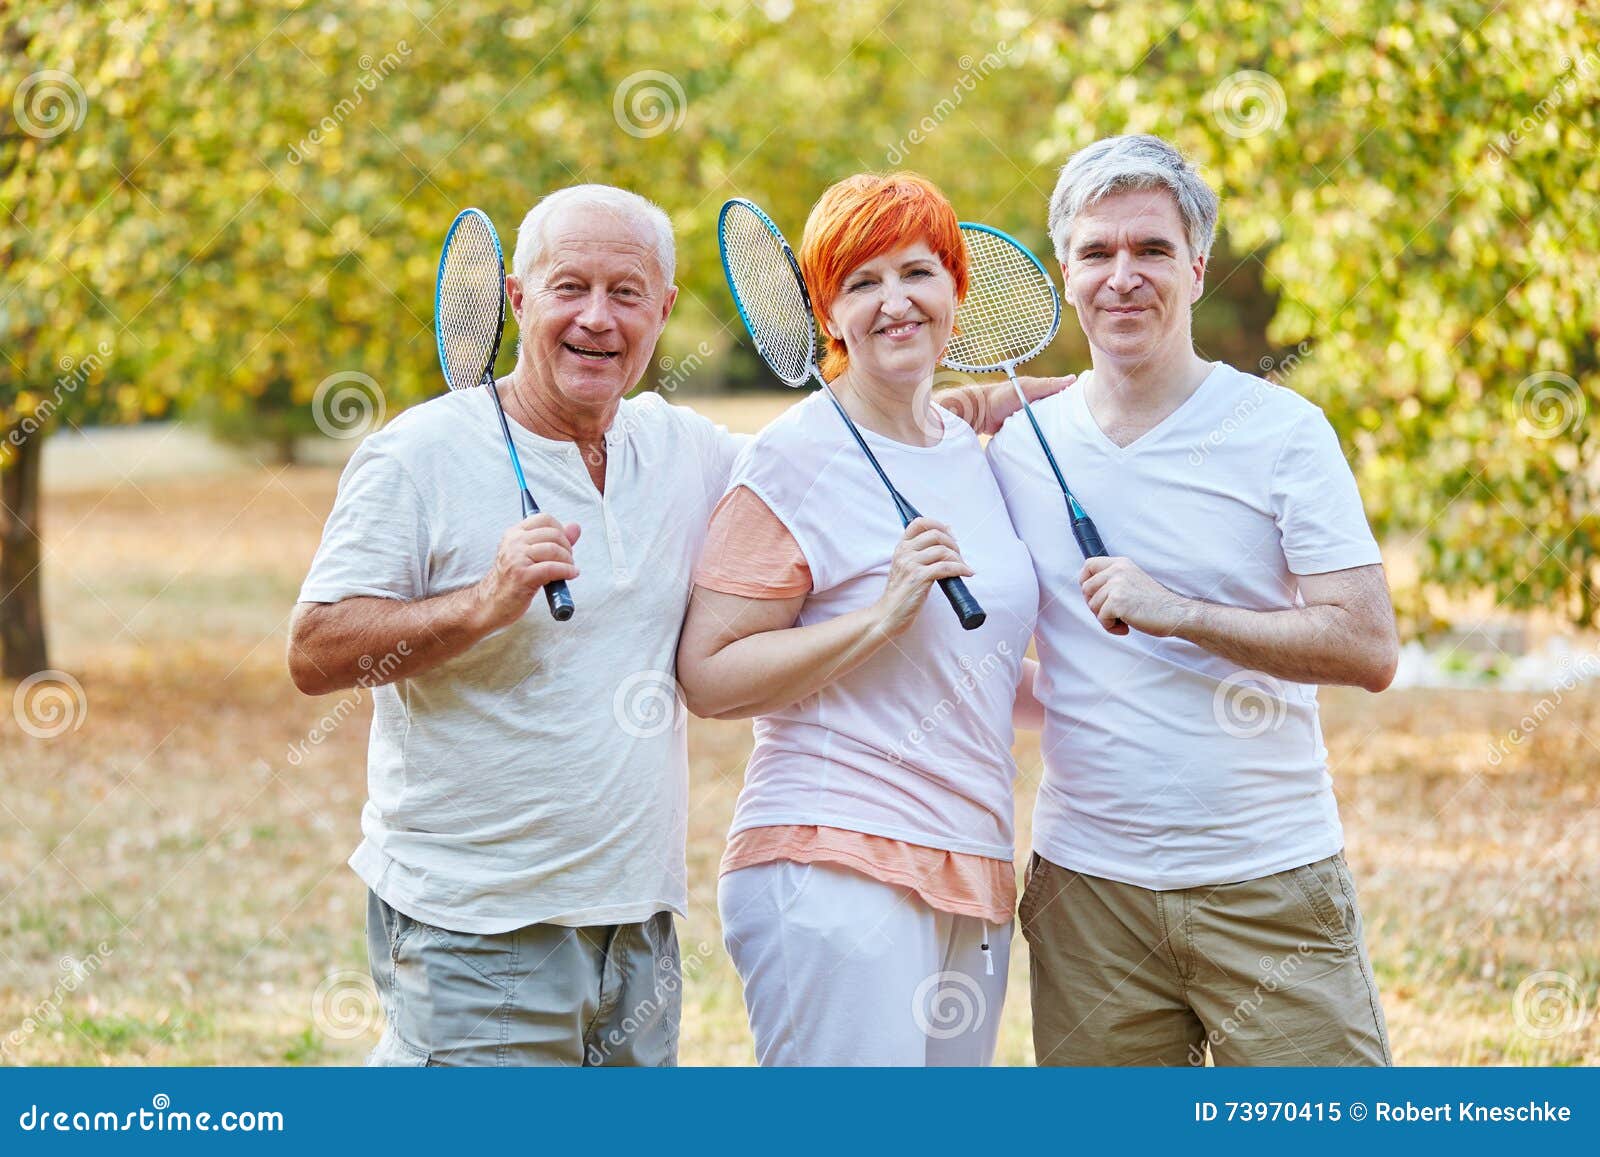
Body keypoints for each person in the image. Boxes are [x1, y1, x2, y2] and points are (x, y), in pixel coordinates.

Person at [288, 183, 1066, 1066]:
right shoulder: (418, 454)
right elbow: (315, 650)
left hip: (636, 920)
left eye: (626, 294)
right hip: (479, 916)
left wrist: (985, 404)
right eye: (568, 288)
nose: (596, 318)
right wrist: (481, 603)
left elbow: (838, 453)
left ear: (662, 309)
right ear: (515, 296)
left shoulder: (682, 448)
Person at [987, 135, 1399, 1066]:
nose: (1121, 276)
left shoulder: (1281, 430)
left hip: (1269, 880)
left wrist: (1181, 611)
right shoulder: (1020, 447)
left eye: (1151, 250)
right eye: (1096, 252)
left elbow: (1368, 646)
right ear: (1064, 271)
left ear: (1198, 267)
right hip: (1087, 895)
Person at [677, 173, 1046, 1066]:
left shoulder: (969, 451)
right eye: (861, 281)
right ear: (827, 315)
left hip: (973, 858)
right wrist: (879, 617)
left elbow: (983, 664)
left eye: (917, 272)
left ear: (957, 293)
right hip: (831, 859)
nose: (895, 302)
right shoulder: (795, 456)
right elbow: (708, 674)